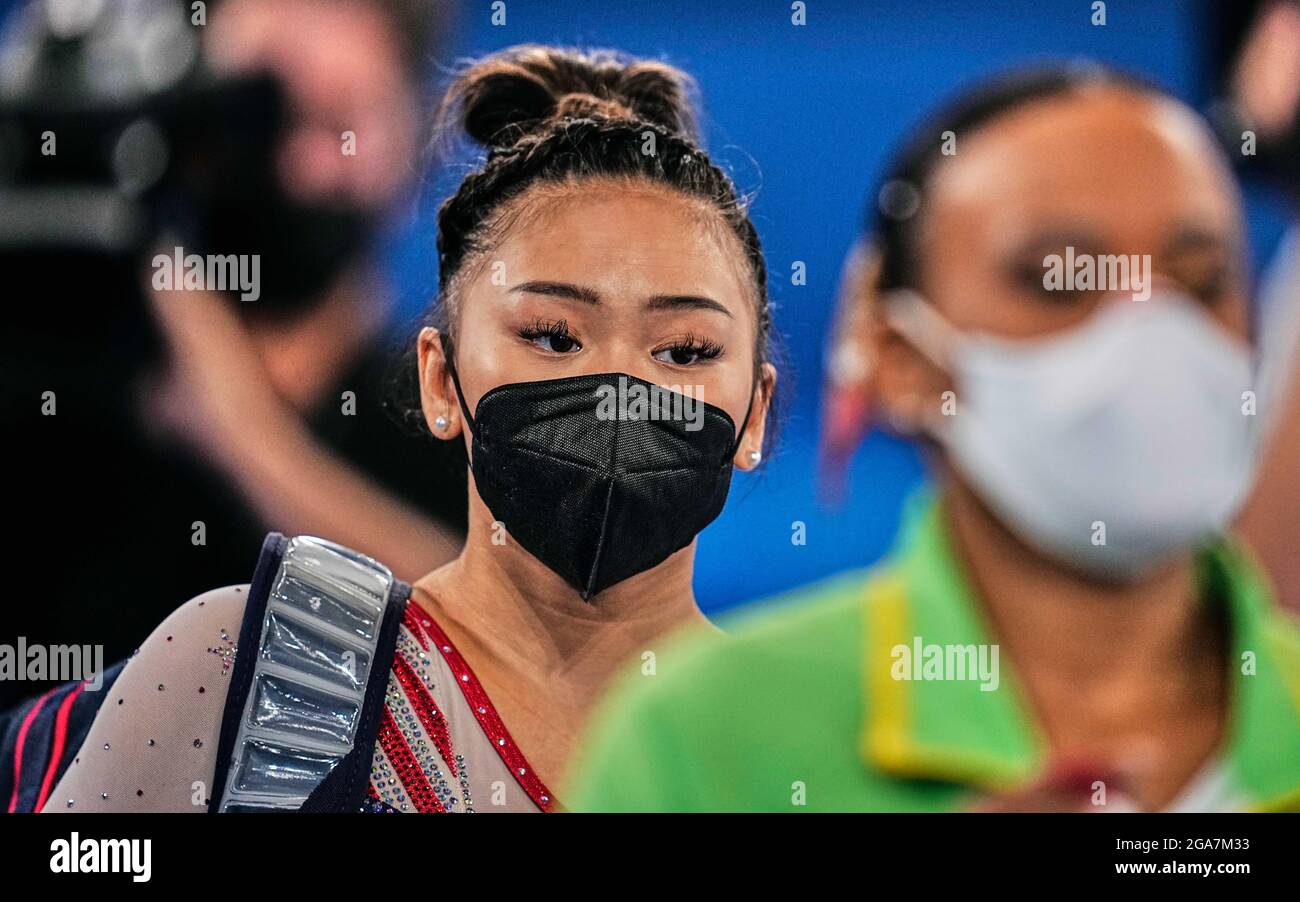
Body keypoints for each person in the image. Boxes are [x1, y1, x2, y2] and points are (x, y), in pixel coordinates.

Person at [1, 44, 776, 814]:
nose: (618, 390)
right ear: (441, 380)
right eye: (551, 336)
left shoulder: (811, 735)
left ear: (756, 414)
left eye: (684, 350)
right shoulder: (249, 667)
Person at [568, 65, 1300, 813]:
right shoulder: (708, 734)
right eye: (1057, 282)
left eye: (1201, 280)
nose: (1151, 338)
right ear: (903, 358)